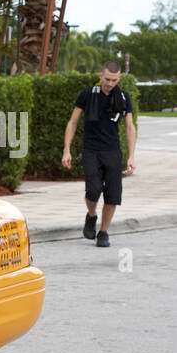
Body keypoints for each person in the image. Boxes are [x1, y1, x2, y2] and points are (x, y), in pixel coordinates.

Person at [62, 60, 138, 248]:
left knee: (113, 195)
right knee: (93, 190)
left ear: (119, 78)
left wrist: (131, 155)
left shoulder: (123, 97)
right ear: (100, 76)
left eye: (114, 80)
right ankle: (92, 215)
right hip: (91, 150)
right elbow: (72, 122)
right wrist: (66, 150)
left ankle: (103, 232)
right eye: (107, 79)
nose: (110, 83)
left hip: (113, 151)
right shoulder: (87, 94)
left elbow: (129, 127)